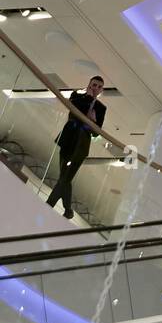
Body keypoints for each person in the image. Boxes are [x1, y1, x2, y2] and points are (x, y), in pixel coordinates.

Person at [46, 76, 106, 219]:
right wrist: (89, 99)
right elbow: (73, 112)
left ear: (101, 90)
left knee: (66, 177)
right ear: (89, 84)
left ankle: (49, 205)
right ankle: (68, 210)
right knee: (64, 177)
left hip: (82, 143)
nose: (95, 88)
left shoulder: (101, 108)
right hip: (68, 138)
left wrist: (94, 121)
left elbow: (96, 132)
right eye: (93, 85)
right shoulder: (76, 96)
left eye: (98, 87)